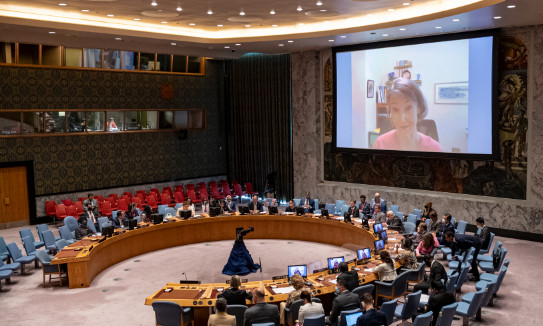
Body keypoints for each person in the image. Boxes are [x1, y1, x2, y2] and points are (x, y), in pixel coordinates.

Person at [372, 78, 442, 152]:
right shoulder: (380, 145)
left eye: (408, 108)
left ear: (419, 108)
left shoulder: (435, 149)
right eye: (395, 109)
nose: (402, 119)